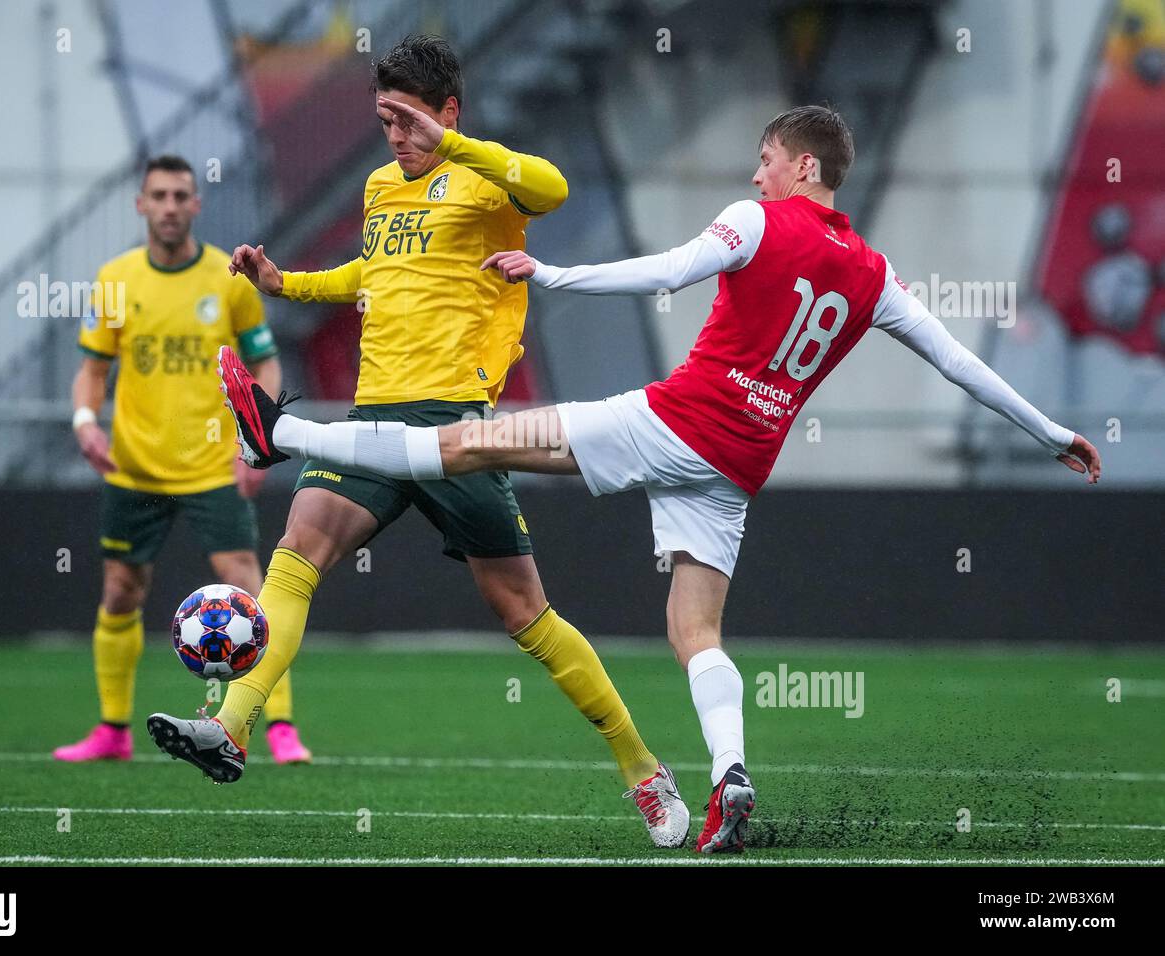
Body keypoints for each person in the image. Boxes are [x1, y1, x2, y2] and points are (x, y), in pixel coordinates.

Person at [210, 105, 1103, 854]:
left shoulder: (757, 222)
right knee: (695, 629)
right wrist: (1053, 432)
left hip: (673, 422)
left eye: (764, 163)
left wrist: (554, 271)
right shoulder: (876, 277)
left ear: (801, 165)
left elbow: (671, 272)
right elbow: (958, 363)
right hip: (739, 464)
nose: (755, 179)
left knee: (473, 443)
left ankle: (282, 429)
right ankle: (728, 779)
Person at [148, 36, 688, 848]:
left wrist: (451, 147)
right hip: (370, 422)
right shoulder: (376, 187)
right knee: (294, 555)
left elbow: (553, 185)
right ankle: (231, 726)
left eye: (408, 121)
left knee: (526, 615)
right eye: (385, 121)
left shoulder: (482, 175)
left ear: (447, 113)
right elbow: (370, 274)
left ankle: (643, 770)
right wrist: (284, 283)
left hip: (454, 427)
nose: (395, 137)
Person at [57, 155, 310, 765]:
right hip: (134, 469)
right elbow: (92, 373)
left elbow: (266, 363)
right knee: (120, 590)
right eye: (159, 196)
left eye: (180, 196)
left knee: (251, 590)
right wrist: (86, 423)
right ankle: (112, 731)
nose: (170, 206)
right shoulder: (115, 280)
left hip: (213, 468)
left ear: (196, 205)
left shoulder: (228, 278)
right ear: (141, 205)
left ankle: (278, 729)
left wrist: (259, 440)